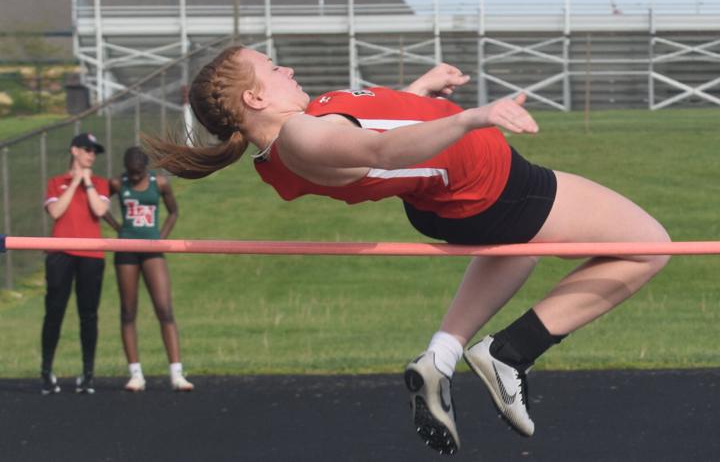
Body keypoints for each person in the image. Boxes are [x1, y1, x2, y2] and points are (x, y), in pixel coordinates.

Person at [144, 46, 670, 454]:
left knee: (520, 250)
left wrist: (423, 90)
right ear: (254, 99)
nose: (288, 70)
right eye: (272, 67)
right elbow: (382, 150)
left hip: (452, 197)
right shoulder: (301, 137)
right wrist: (471, 116)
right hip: (490, 184)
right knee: (648, 245)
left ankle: (445, 355)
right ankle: (511, 354)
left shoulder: (287, 144)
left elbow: (375, 129)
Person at [104, 146, 194, 392]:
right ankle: (136, 374)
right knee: (128, 311)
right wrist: (118, 228)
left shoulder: (160, 183)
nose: (134, 178)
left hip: (153, 248)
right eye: (130, 173)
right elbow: (101, 207)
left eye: (138, 173)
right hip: (126, 248)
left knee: (164, 309)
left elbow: (173, 211)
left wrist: (161, 237)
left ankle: (176, 373)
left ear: (145, 168)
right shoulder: (116, 183)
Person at [41, 133, 110, 395]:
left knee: (89, 315)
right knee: (54, 311)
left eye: (94, 151)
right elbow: (56, 212)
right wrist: (74, 183)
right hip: (61, 253)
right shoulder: (56, 182)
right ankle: (46, 372)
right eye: (87, 149)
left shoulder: (100, 183)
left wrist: (88, 183)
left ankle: (88, 374)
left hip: (91, 256)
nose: (91, 154)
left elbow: (100, 211)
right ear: (74, 151)